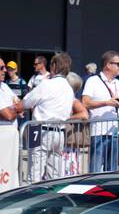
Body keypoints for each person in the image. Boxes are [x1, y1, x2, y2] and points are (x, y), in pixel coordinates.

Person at [20, 51, 84, 181]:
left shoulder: (46, 84)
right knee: (54, 173)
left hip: (40, 130)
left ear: (53, 66)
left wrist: (16, 104)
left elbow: (25, 103)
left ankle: (33, 199)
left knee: (35, 171)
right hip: (59, 132)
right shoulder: (68, 88)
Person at [82, 50, 119, 173]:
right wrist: (106, 102)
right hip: (98, 132)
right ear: (108, 65)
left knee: (112, 171)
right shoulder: (92, 81)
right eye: (118, 64)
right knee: (95, 170)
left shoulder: (118, 84)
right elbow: (85, 103)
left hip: (114, 133)